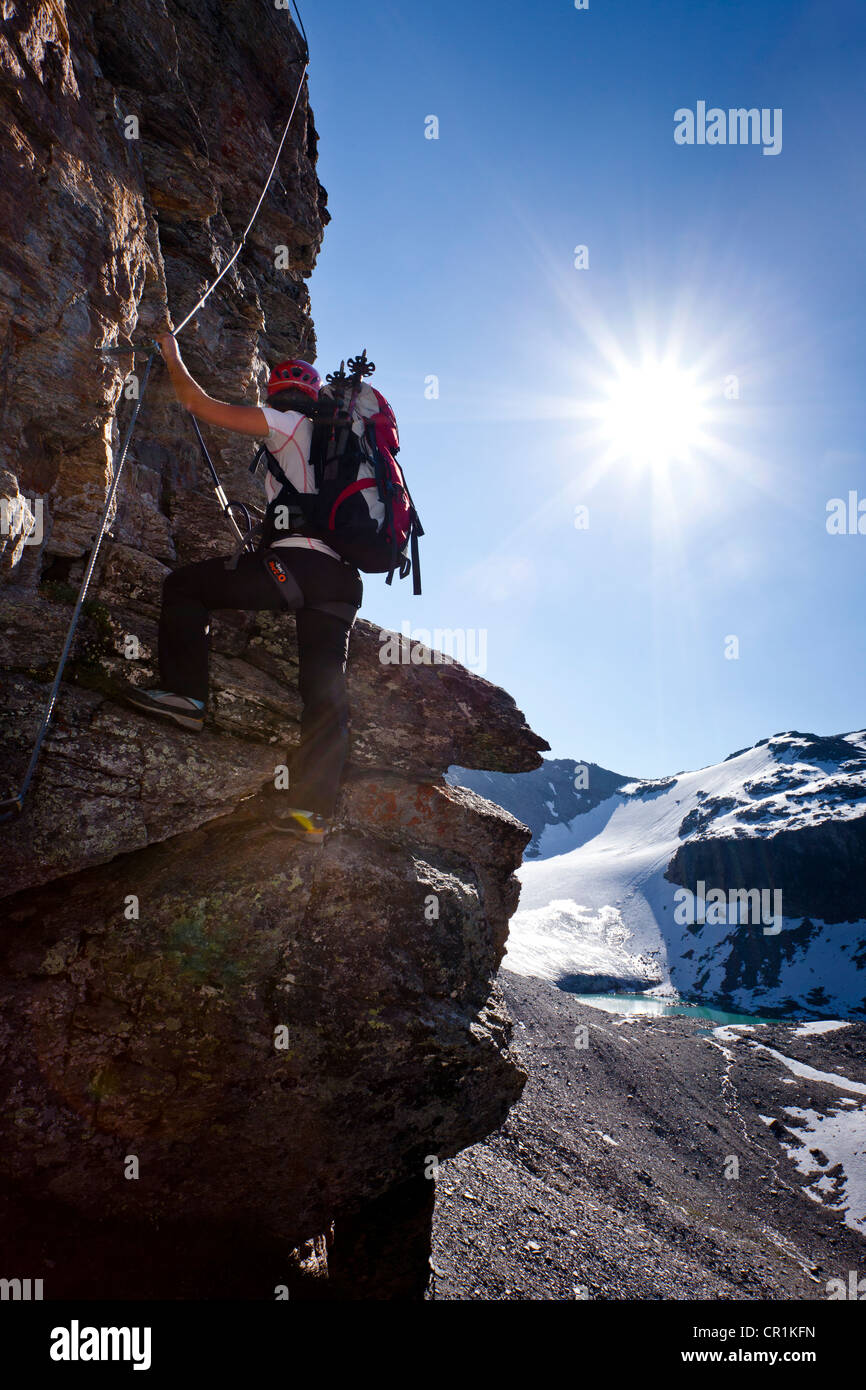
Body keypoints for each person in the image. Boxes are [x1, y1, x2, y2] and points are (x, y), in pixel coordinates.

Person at [124, 334, 363, 843]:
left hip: (295, 567)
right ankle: (311, 815)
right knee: (324, 698)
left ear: (277, 390)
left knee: (185, 586)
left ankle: (186, 697)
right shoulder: (338, 444)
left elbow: (198, 405)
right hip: (341, 580)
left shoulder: (285, 422)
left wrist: (172, 354)